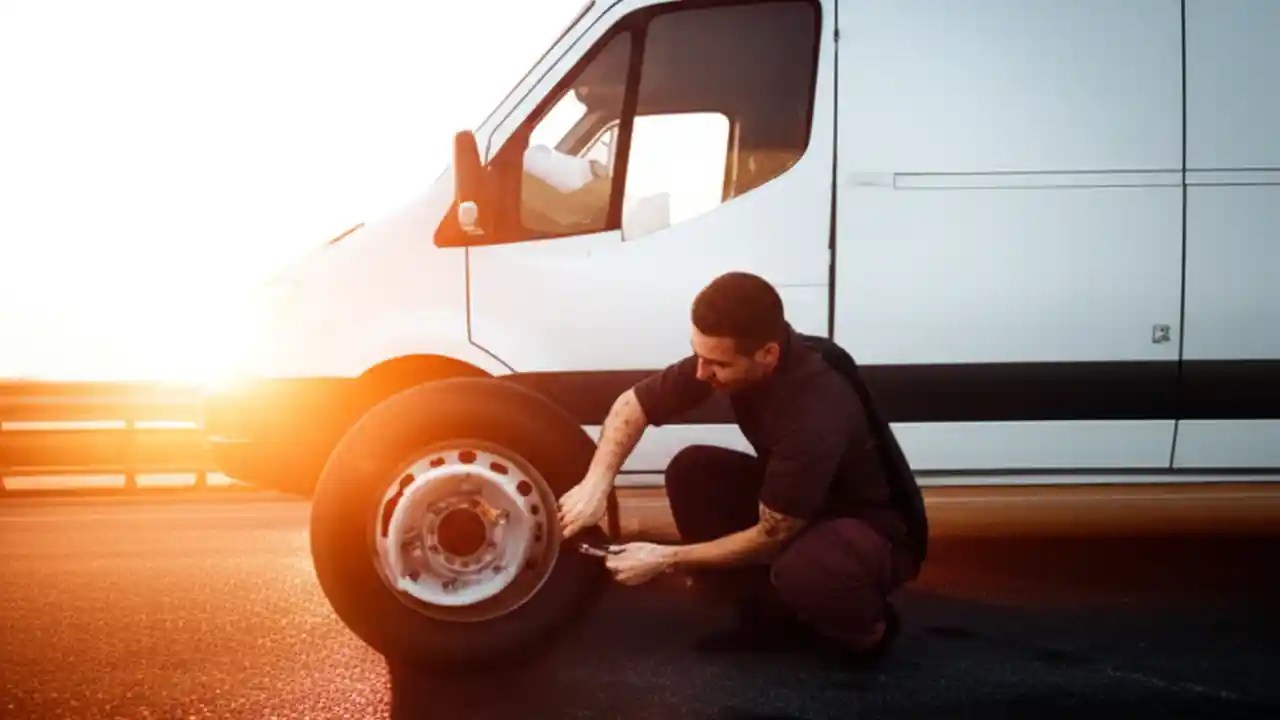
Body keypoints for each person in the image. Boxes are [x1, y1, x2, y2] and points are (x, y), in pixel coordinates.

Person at [558, 271, 928, 661]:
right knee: (694, 470)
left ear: (768, 354)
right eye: (698, 355)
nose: (701, 373)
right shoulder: (739, 355)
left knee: (804, 570)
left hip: (872, 530)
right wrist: (596, 483)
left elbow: (773, 535)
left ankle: (867, 633)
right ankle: (760, 614)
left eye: (716, 363)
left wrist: (664, 557)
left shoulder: (814, 408)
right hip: (804, 502)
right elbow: (634, 404)